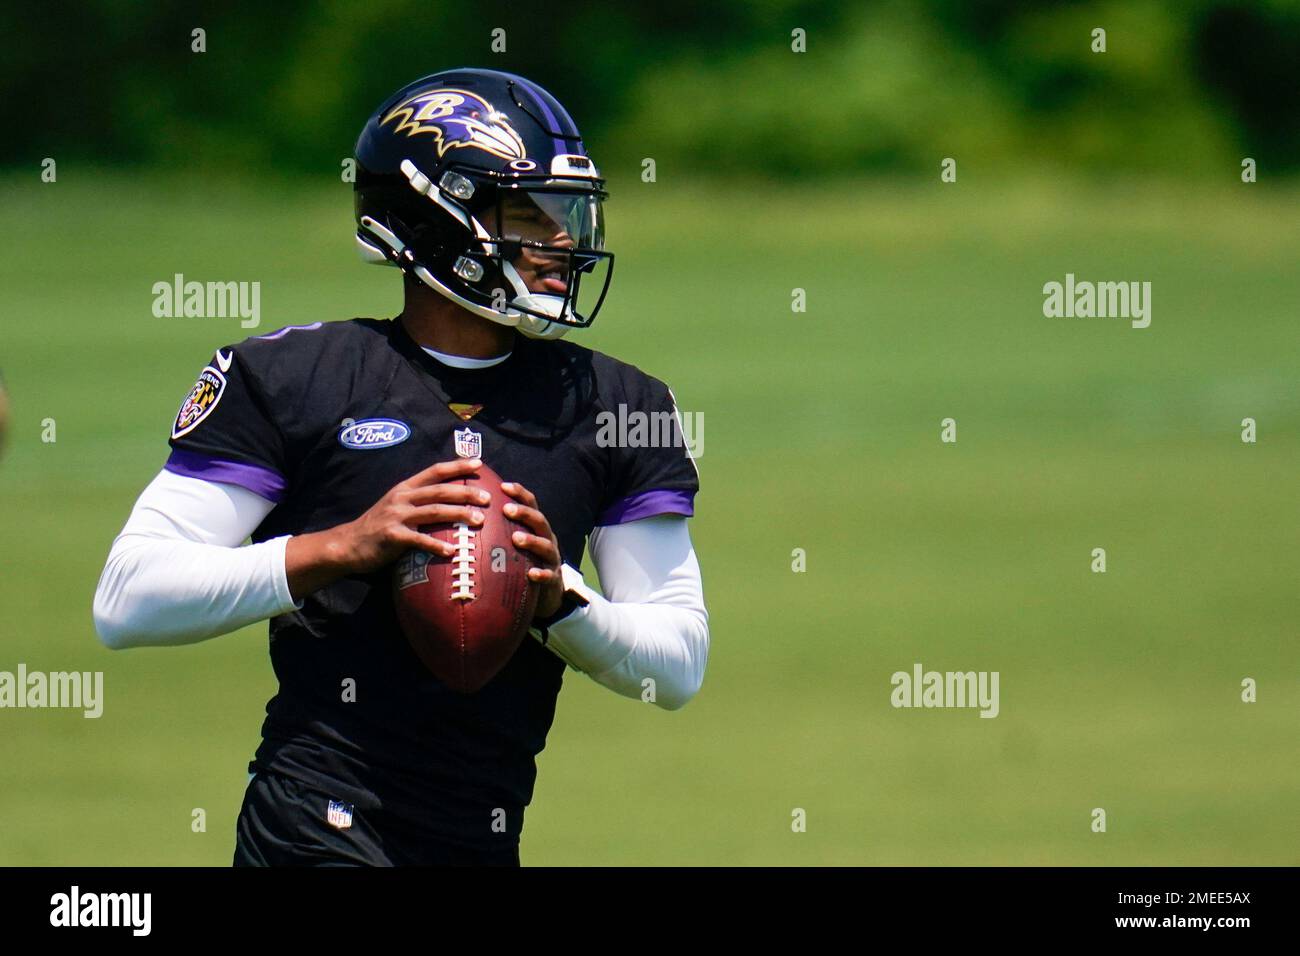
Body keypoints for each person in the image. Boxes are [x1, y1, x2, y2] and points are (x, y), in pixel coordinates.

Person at [92, 68, 709, 866]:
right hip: (315, 822)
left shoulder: (616, 403)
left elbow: (679, 661)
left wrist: (561, 603)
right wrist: (342, 548)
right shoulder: (295, 377)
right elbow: (127, 598)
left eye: (569, 213)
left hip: (479, 834)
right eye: (529, 212)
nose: (563, 241)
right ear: (435, 213)